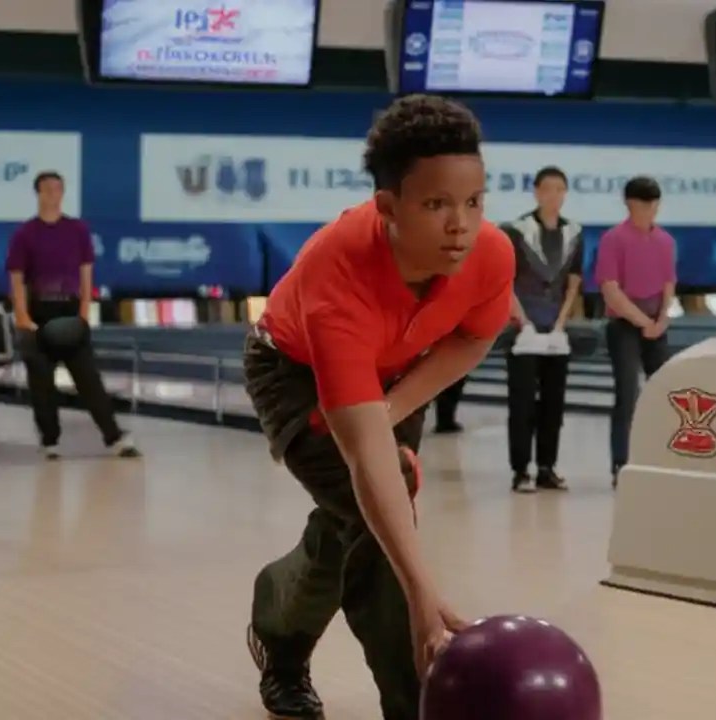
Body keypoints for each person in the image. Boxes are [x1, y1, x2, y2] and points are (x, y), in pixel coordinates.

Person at [240, 94, 514, 720]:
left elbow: (473, 338)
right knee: (378, 524)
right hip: (293, 372)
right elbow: (365, 452)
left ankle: (277, 617)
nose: (461, 225)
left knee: (371, 513)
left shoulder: (491, 254)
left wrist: (393, 406)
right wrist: (425, 596)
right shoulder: (338, 274)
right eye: (436, 204)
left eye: (473, 202)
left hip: (399, 372)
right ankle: (414, 703)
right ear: (388, 207)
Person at [4, 171, 138, 459]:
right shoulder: (25, 234)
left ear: (62, 193)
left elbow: (86, 274)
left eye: (57, 189)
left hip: (70, 312)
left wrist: (84, 313)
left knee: (89, 379)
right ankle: (49, 441)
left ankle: (114, 438)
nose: (53, 194)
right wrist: (23, 317)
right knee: (41, 385)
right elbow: (16, 278)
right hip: (38, 315)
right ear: (38, 194)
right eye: (47, 189)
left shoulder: (77, 230)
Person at [501, 166, 584, 493]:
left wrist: (561, 322)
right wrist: (524, 322)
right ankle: (521, 470)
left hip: (556, 332)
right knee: (521, 404)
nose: (553, 195)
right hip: (523, 330)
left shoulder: (574, 232)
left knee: (554, 403)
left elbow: (573, 281)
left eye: (559, 189)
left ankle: (547, 466)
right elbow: (505, 282)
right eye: (547, 189)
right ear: (536, 192)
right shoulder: (516, 230)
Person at [595, 176, 676, 485]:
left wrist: (663, 317)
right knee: (627, 393)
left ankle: (662, 457)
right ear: (630, 203)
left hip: (657, 322)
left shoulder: (666, 241)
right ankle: (621, 462)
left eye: (655, 204)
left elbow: (669, 282)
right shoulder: (613, 239)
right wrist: (644, 322)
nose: (650, 210)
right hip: (625, 323)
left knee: (665, 389)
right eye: (644, 203)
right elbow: (611, 290)